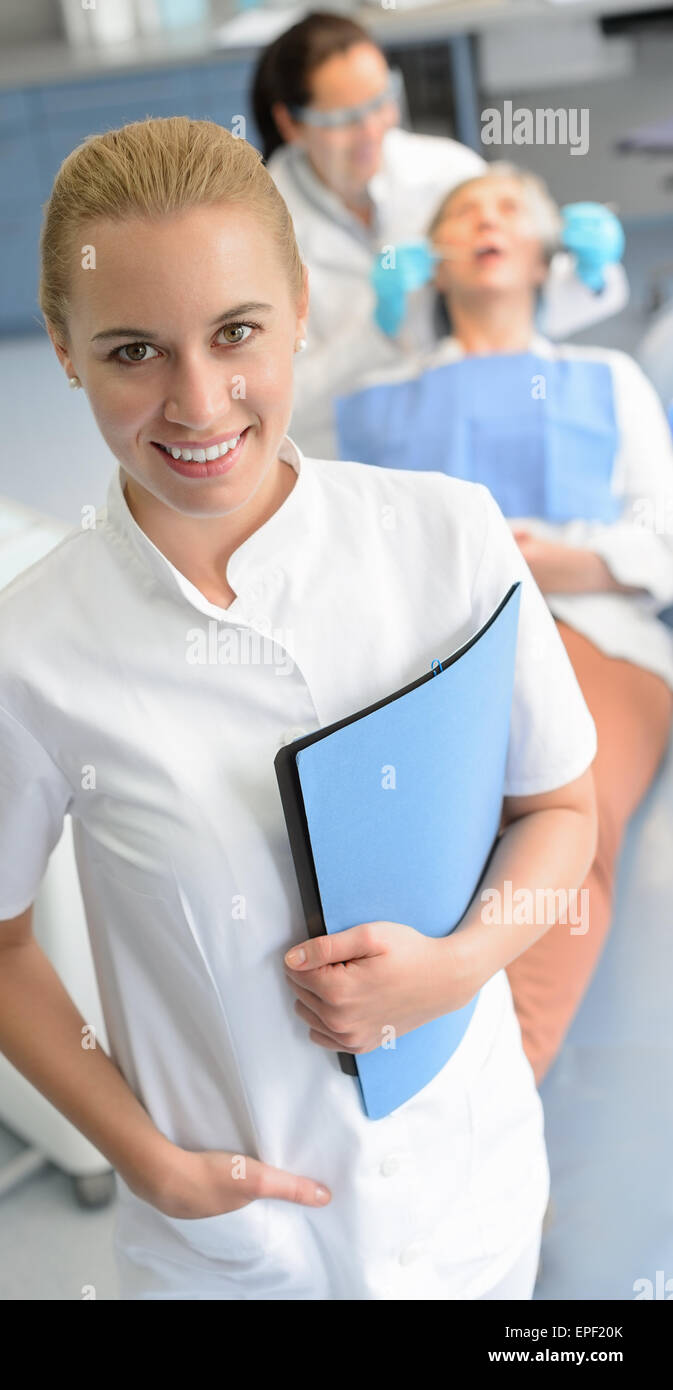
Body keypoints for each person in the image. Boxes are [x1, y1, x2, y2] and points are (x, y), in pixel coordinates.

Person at [0, 118, 598, 1300]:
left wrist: (456, 968)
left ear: (298, 308)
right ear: (63, 348)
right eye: (133, 350)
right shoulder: (13, 660)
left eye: (236, 332)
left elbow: (559, 806)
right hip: (234, 1253)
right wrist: (146, 1160)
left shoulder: (448, 534)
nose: (197, 402)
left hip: (465, 1187)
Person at [333, 164, 673, 1086]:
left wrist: (547, 563)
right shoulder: (376, 399)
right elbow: (341, 549)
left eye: (509, 212)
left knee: (570, 811)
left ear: (545, 257)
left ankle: (505, 1086)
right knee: (410, 831)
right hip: (432, 647)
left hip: (586, 631)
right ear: (432, 265)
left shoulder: (605, 379)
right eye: (461, 212)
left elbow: (662, 535)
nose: (487, 218)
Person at [252, 9, 629, 459]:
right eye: (346, 119)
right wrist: (376, 332)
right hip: (346, 451)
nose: (373, 131)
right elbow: (270, 402)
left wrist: (591, 274)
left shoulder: (446, 170)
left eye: (380, 101)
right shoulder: (258, 230)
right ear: (292, 124)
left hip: (471, 418)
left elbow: (513, 303)